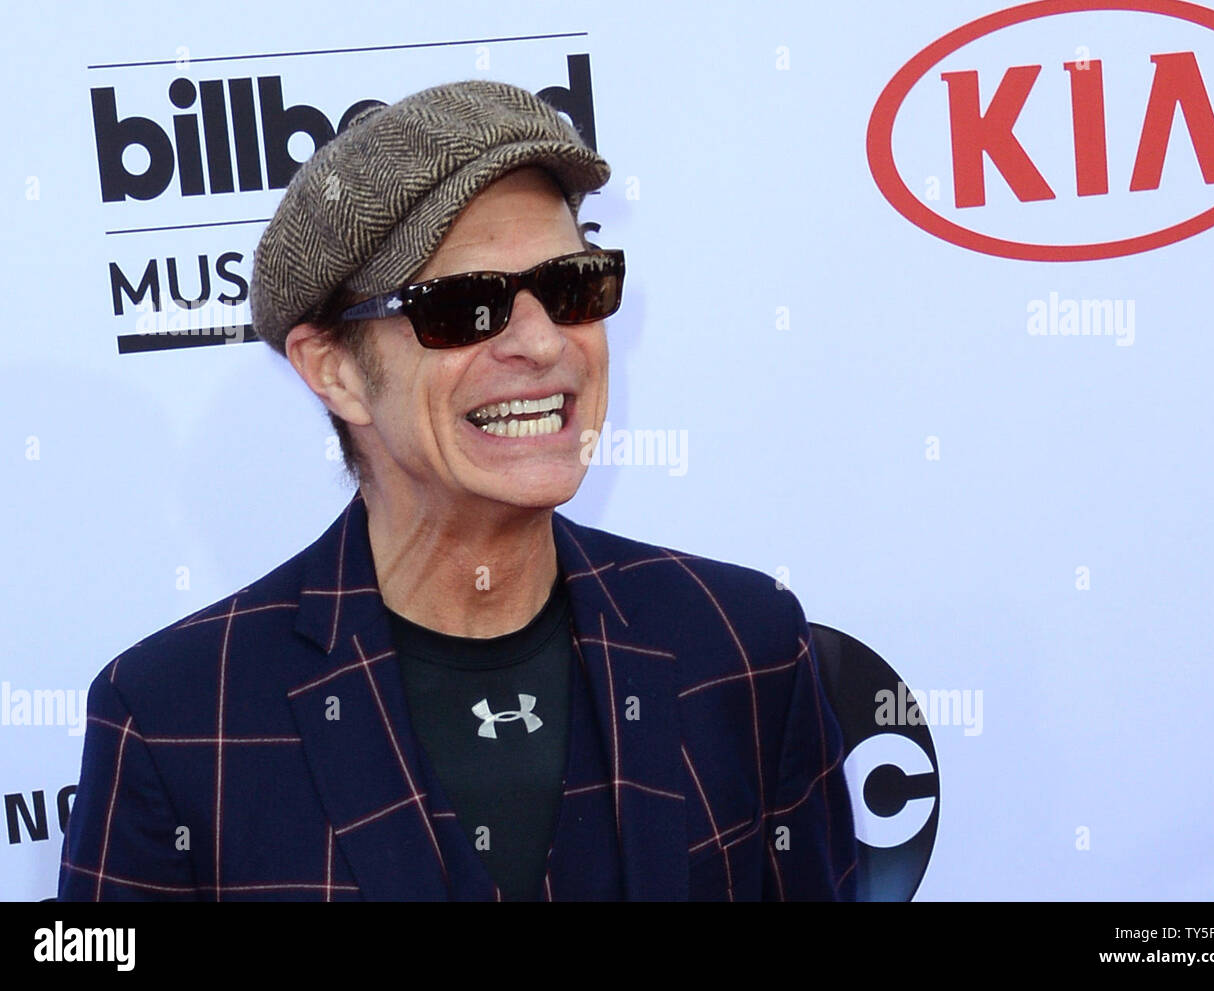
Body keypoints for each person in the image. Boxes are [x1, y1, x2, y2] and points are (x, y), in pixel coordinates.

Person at [58, 79, 857, 901]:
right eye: (468, 307)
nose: (544, 343)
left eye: (572, 284)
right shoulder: (173, 716)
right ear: (335, 370)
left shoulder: (744, 646)